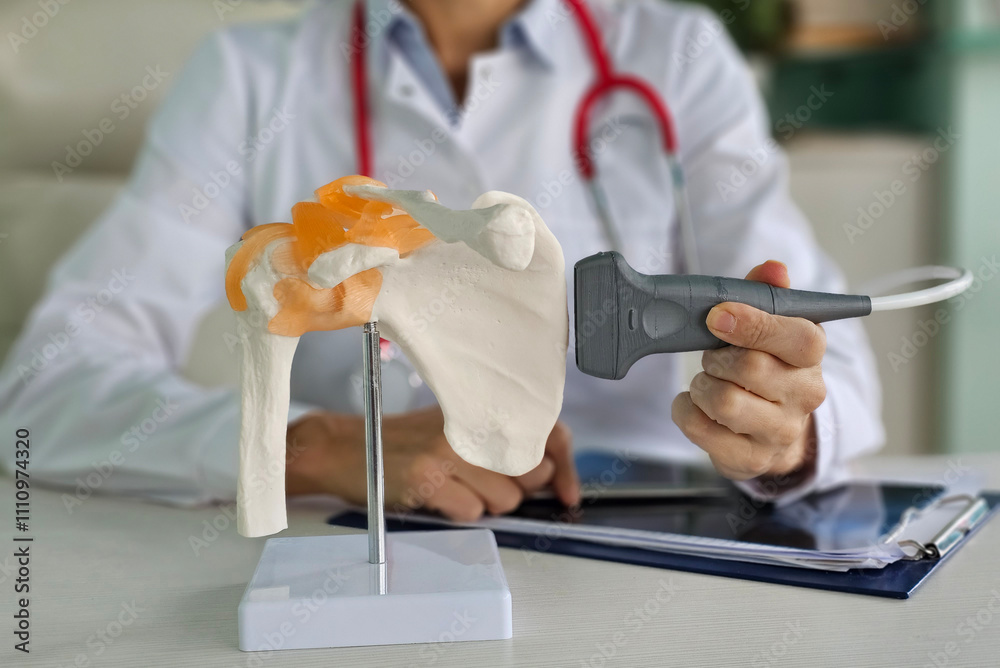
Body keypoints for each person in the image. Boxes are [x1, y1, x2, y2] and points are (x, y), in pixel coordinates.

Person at [0, 0, 883, 520]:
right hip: (373, 528)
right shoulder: (249, 77)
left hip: (660, 532)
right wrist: (316, 446)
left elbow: (836, 376)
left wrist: (786, 429)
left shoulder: (676, 54)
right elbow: (43, 394)